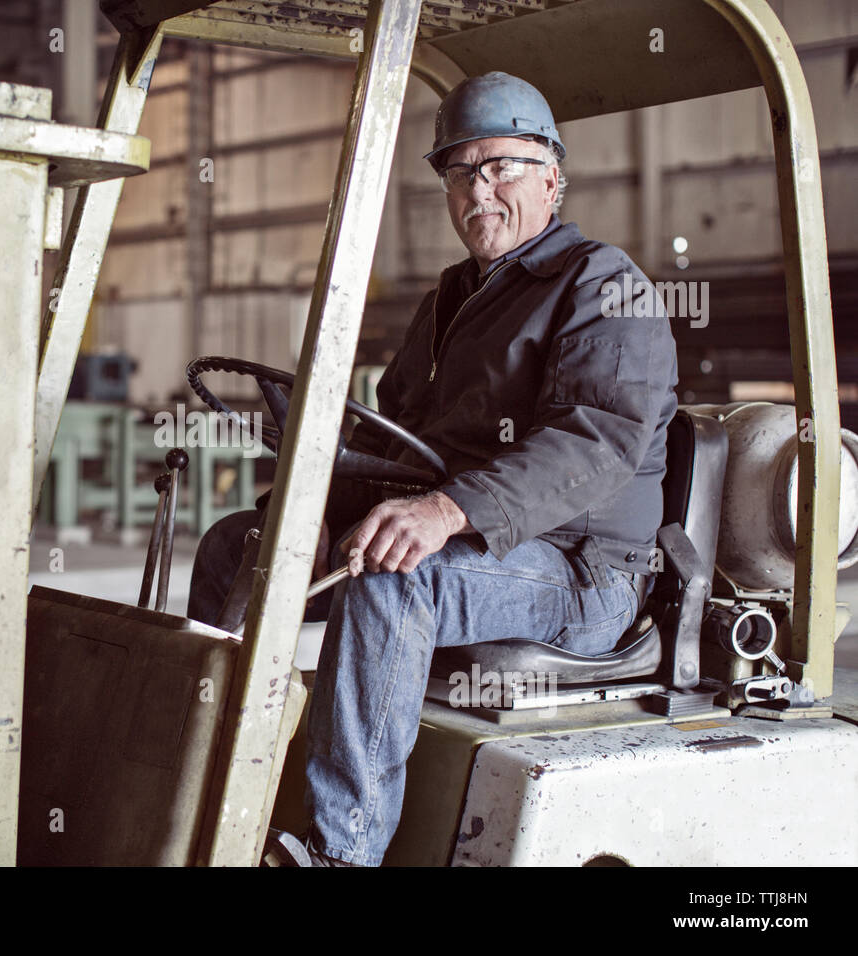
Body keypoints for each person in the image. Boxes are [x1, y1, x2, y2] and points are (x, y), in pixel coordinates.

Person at [188, 72, 679, 866]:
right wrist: (308, 510)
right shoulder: (450, 299)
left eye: (501, 167)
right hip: (481, 550)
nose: (479, 190)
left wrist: (447, 510)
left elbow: (597, 441)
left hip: (582, 568)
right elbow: (396, 437)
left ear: (552, 178)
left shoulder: (604, 285)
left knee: (394, 577)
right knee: (236, 546)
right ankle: (201, 787)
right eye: (460, 171)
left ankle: (342, 852)